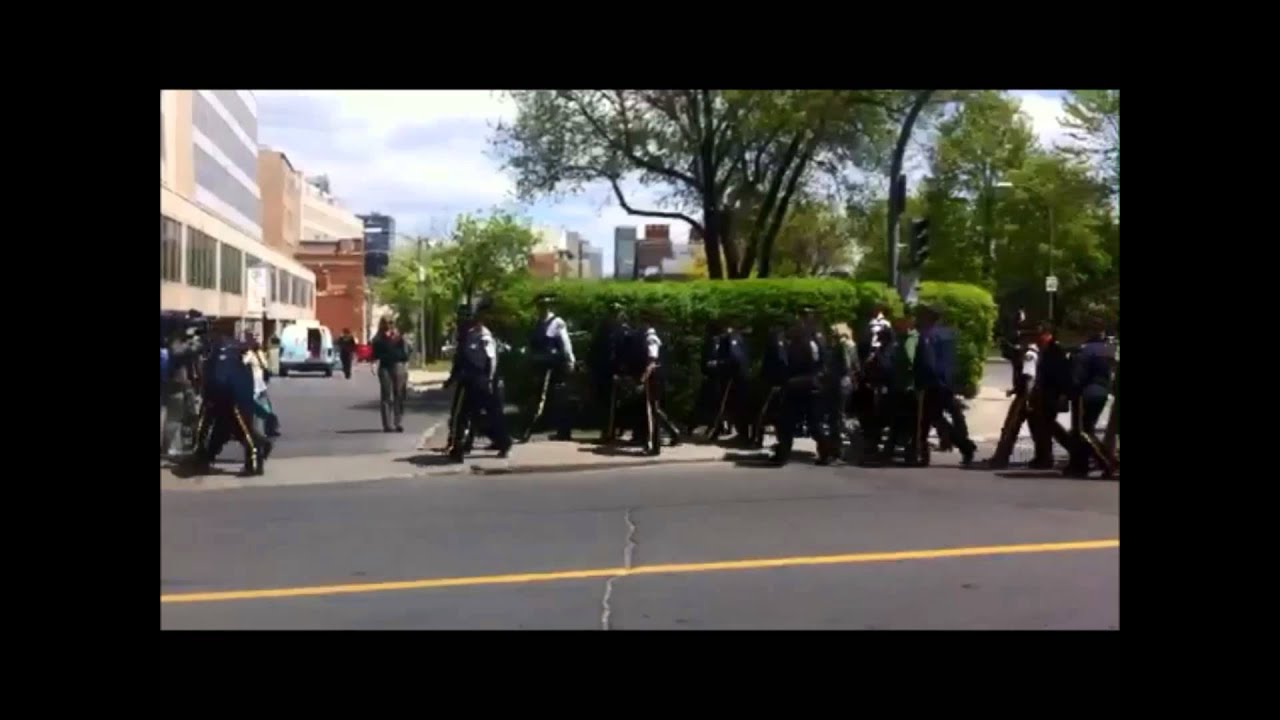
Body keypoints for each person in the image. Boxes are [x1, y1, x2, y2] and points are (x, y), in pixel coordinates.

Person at [188, 335, 272, 476]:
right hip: (232, 396)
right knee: (234, 429)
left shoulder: (216, 358)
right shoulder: (232, 357)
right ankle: (203, 459)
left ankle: (202, 459)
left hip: (226, 396)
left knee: (228, 429)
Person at [449, 300, 511, 462]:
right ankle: (458, 446)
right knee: (463, 414)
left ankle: (504, 442)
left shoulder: (484, 336)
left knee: (490, 415)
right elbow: (461, 358)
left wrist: (489, 380)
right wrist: (453, 377)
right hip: (470, 379)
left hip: (483, 379)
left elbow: (491, 360)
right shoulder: (468, 335)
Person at [916, 305, 976, 465]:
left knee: (927, 419)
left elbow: (927, 361)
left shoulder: (927, 335)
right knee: (940, 416)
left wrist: (921, 381)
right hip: (947, 381)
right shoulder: (948, 334)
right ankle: (964, 446)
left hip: (932, 383)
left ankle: (923, 453)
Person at [772, 307, 832, 466]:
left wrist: (785, 379)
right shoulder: (818, 336)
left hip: (799, 384)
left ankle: (783, 454)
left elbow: (793, 362)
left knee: (787, 422)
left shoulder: (800, 338)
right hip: (813, 383)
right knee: (813, 423)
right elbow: (823, 361)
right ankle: (826, 452)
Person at [626, 308, 682, 456]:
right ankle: (671, 432)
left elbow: (652, 361)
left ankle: (653, 445)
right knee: (653, 410)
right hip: (652, 376)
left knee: (650, 412)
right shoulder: (647, 336)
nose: (639, 324)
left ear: (647, 322)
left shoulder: (651, 337)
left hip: (653, 377)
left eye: (641, 321)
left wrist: (642, 379)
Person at [521, 293, 576, 442]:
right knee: (537, 397)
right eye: (540, 305)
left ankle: (561, 430)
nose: (542, 308)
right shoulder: (536, 322)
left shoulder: (556, 322)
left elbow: (565, 343)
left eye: (545, 305)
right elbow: (530, 344)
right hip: (538, 365)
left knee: (556, 397)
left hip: (553, 365)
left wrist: (570, 360)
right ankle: (531, 427)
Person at [1065, 320, 1115, 477]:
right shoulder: (1108, 349)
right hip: (1103, 392)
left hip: (1087, 393)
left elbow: (1078, 376)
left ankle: (1106, 463)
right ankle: (1083, 463)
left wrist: (1070, 391)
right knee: (1088, 428)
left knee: (1083, 432)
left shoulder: (1085, 351)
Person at [1028, 323, 1072, 470]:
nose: (1038, 338)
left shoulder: (1055, 351)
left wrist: (1062, 394)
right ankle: (1043, 456)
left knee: (1045, 426)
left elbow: (1059, 375)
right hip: (1044, 394)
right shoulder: (1045, 350)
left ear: (1048, 335)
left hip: (1052, 393)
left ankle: (1046, 458)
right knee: (1044, 425)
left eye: (1040, 334)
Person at [708, 316, 752, 444]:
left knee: (733, 406)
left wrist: (718, 363)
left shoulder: (731, 338)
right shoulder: (740, 337)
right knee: (737, 406)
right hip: (740, 376)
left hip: (733, 378)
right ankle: (743, 434)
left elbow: (735, 358)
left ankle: (742, 434)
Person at [592, 301, 630, 443]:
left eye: (617, 312)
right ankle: (607, 430)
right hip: (603, 370)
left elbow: (626, 353)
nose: (614, 315)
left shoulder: (624, 331)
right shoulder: (603, 329)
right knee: (604, 402)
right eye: (612, 312)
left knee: (615, 403)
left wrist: (622, 370)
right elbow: (595, 348)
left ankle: (611, 432)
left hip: (617, 371)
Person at [822, 322, 858, 463]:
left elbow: (846, 365)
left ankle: (838, 449)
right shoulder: (851, 344)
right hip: (846, 383)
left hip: (839, 383)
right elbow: (855, 365)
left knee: (836, 417)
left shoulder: (841, 345)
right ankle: (841, 446)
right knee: (838, 416)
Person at [750, 323, 790, 448]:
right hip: (776, 381)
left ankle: (758, 439)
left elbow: (780, 361)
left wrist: (778, 380)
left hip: (771, 382)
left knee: (763, 412)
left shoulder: (775, 340)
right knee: (775, 412)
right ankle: (779, 440)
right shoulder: (782, 341)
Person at [444, 304, 475, 455]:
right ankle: (461, 442)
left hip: (468, 379)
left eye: (463, 317)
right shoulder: (465, 335)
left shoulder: (469, 335)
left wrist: (454, 377)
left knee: (459, 414)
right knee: (468, 413)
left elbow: (462, 360)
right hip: (471, 378)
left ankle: (457, 444)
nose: (460, 320)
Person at [371, 316, 410, 433]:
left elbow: (406, 353)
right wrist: (373, 365)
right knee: (386, 395)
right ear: (382, 324)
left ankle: (398, 422)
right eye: (387, 322)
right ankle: (387, 425)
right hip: (385, 367)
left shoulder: (398, 337)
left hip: (398, 366)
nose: (389, 325)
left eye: (391, 322)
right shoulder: (378, 339)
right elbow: (375, 355)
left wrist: (405, 364)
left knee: (399, 394)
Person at [242, 334, 281, 438]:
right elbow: (242, 364)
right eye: (254, 341)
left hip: (261, 385)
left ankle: (270, 429)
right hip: (254, 386)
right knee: (254, 410)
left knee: (267, 408)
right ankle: (250, 431)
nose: (257, 343)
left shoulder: (260, 353)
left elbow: (266, 365)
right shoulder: (249, 355)